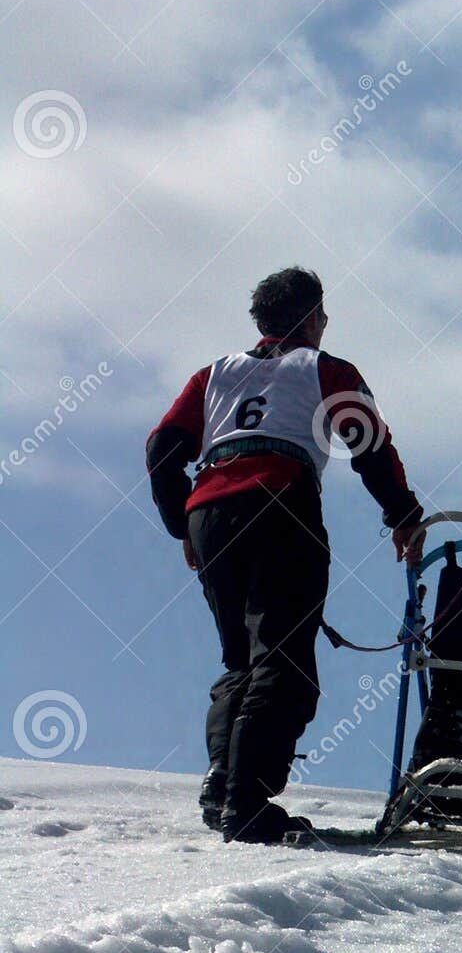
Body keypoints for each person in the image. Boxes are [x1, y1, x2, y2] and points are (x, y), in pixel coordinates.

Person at [146, 267, 425, 844]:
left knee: (240, 660)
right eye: (323, 314)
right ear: (312, 317)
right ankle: (247, 803)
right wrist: (404, 515)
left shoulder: (212, 375)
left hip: (212, 510)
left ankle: (224, 786)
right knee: (283, 656)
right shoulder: (326, 369)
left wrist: (183, 527)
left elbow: (160, 451)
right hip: (281, 502)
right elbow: (368, 442)